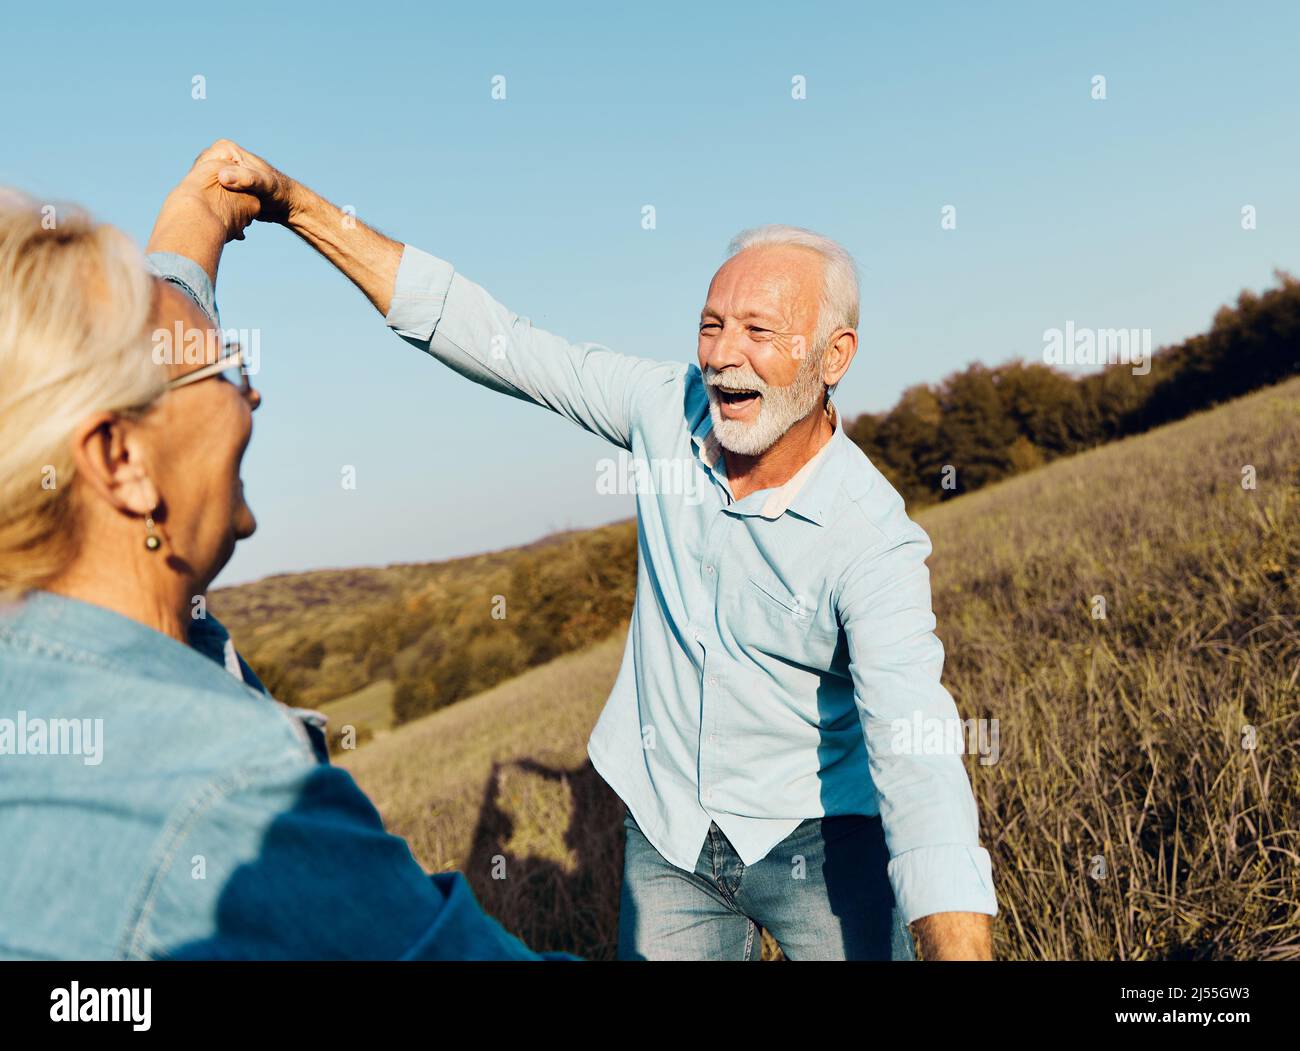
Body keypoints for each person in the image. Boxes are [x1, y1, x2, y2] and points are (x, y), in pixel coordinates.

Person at [214, 140, 999, 960]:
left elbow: (918, 755)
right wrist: (296, 204)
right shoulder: (664, 409)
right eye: (711, 324)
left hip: (823, 842)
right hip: (667, 838)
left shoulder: (871, 536)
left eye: (759, 330)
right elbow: (493, 338)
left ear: (833, 357)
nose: (723, 353)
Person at [0, 146, 568, 961]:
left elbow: (163, 334)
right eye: (231, 370)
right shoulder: (227, 794)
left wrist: (199, 219)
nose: (253, 394)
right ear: (120, 462)